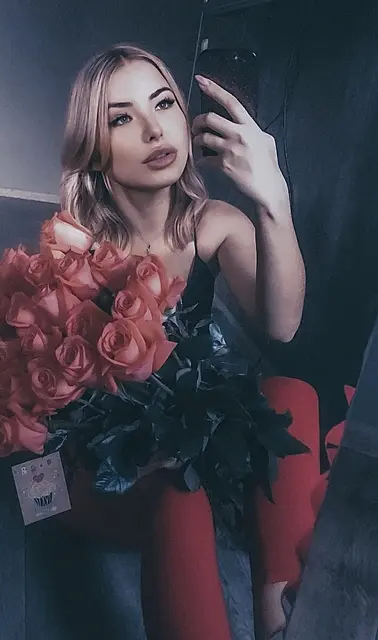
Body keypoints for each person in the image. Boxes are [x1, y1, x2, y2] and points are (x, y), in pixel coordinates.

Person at [58, 43, 318, 640]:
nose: (154, 130)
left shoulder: (214, 224)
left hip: (191, 447)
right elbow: (49, 414)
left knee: (291, 394)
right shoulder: (74, 244)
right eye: (121, 118)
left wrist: (274, 203)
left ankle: (284, 619)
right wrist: (43, 503)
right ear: (94, 148)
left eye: (164, 103)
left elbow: (282, 327)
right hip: (110, 470)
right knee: (178, 492)